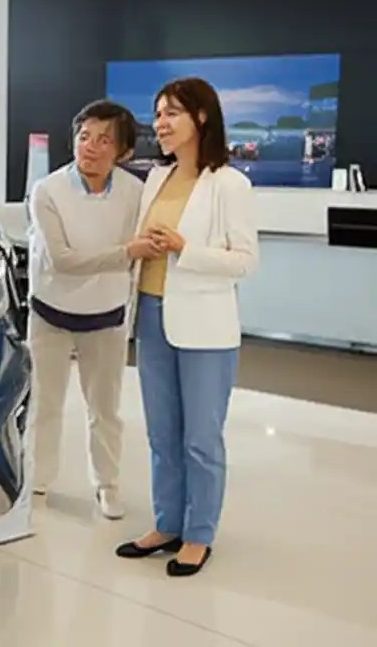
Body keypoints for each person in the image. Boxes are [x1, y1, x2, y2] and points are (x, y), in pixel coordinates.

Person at [115, 77, 258, 577]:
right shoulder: (156, 178)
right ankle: (167, 523)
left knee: (200, 437)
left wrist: (183, 249)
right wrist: (145, 246)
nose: (160, 123)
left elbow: (244, 261)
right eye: (157, 114)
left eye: (171, 113)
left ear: (201, 117)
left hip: (205, 326)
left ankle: (199, 534)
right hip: (152, 315)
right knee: (162, 433)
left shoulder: (229, 184)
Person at [27, 99, 160, 519]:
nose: (90, 147)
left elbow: (137, 255)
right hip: (50, 311)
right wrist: (126, 252)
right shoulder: (48, 190)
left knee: (105, 409)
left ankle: (107, 484)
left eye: (104, 140)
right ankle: (37, 480)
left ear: (123, 152)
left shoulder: (136, 193)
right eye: (85, 136)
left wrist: (126, 255)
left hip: (106, 316)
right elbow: (63, 261)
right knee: (44, 403)